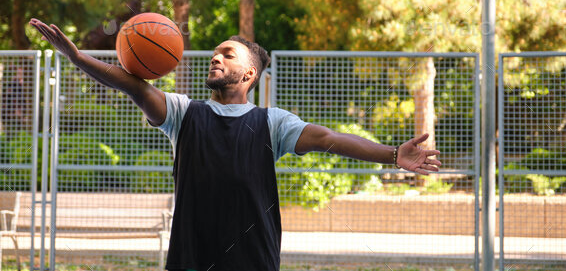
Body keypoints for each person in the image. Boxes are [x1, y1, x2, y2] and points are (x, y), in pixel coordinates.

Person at [29, 18, 442, 271]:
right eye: (214, 53)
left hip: (254, 261)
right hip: (192, 257)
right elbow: (136, 86)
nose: (216, 58)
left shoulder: (272, 123)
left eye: (227, 54)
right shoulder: (182, 112)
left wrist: (392, 155)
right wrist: (79, 58)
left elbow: (329, 138)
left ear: (248, 74)